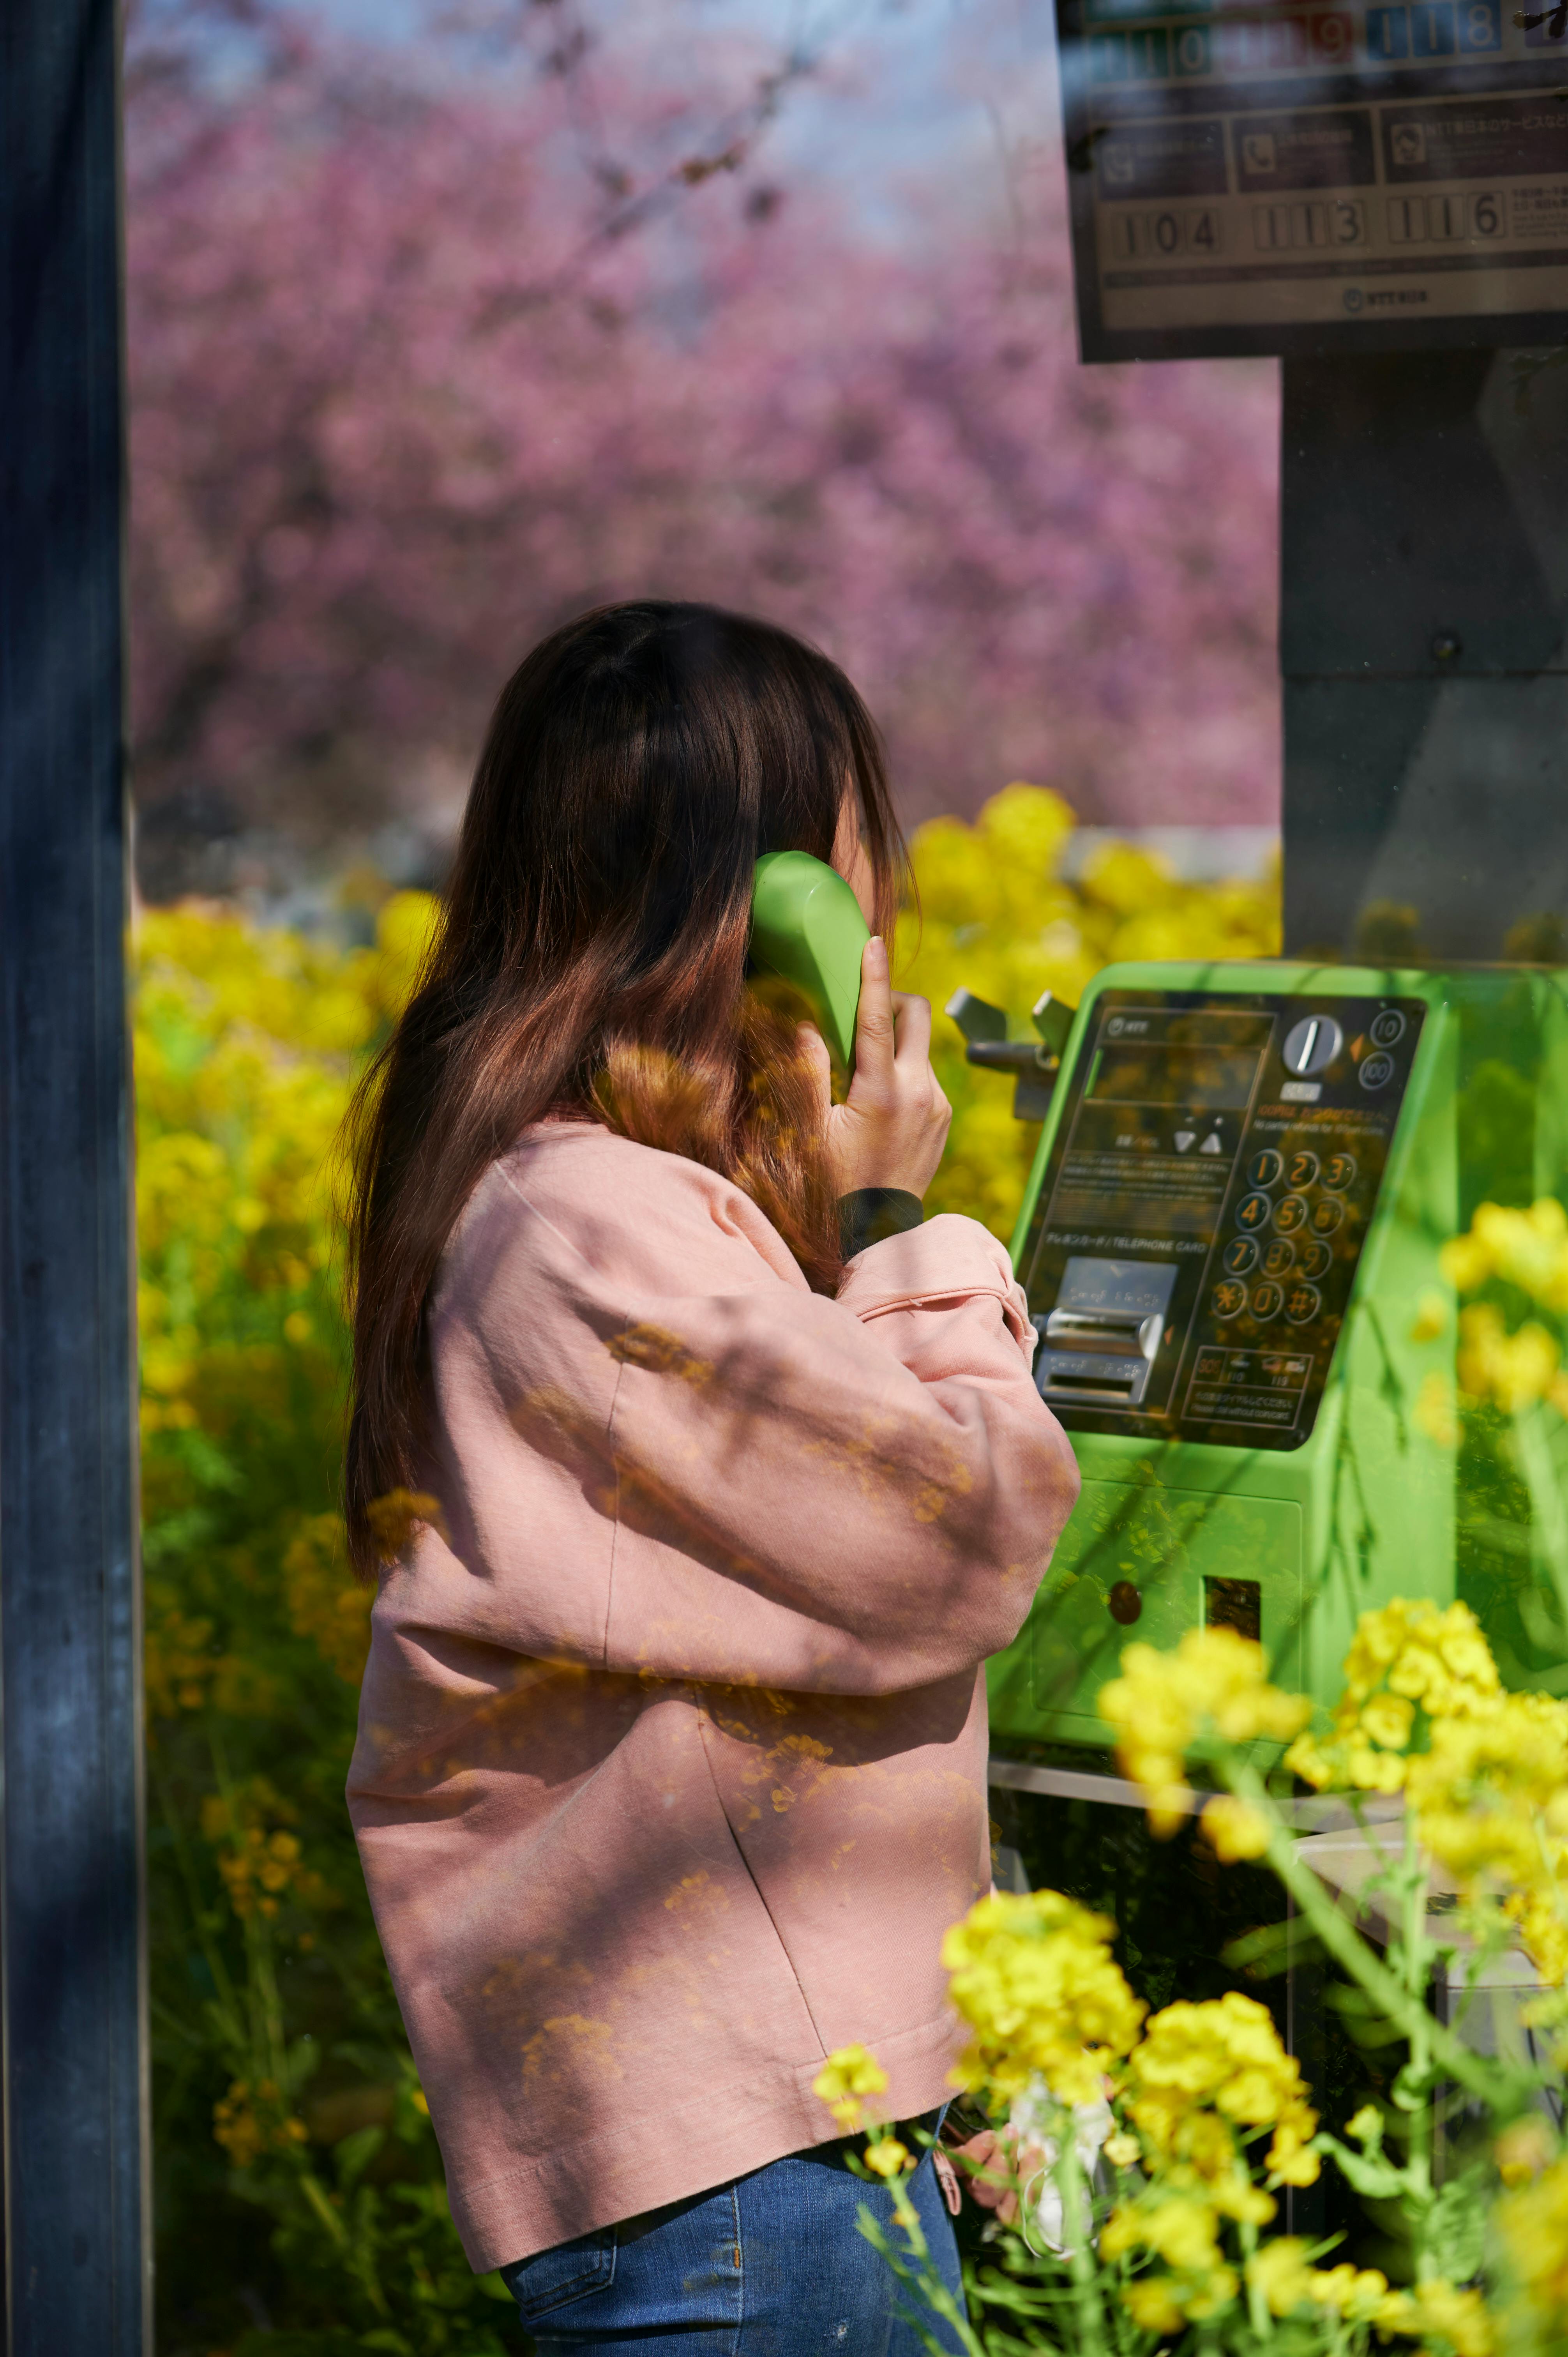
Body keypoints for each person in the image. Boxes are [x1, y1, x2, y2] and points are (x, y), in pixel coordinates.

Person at [344, 602, 1079, 2351]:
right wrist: (904, 1221)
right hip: (744, 2179)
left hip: (770, 2144)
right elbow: (957, 1540)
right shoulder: (588, 1231)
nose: (881, 908)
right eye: (849, 855)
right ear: (753, 902)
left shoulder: (614, 1207)